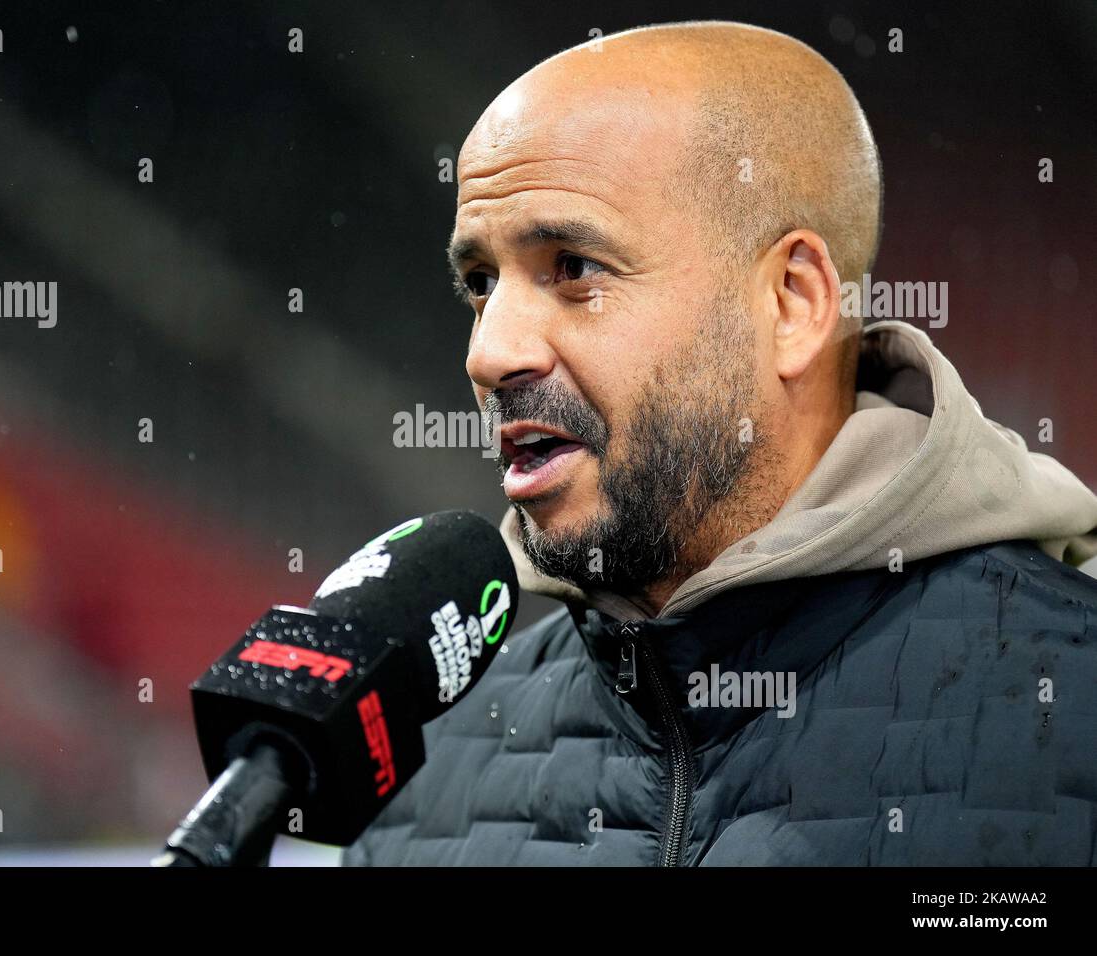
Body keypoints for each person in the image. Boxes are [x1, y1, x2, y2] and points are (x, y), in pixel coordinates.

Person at [342, 21, 1097, 865]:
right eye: (480, 283)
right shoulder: (423, 783)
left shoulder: (1075, 708)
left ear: (791, 303)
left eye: (574, 267)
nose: (489, 353)